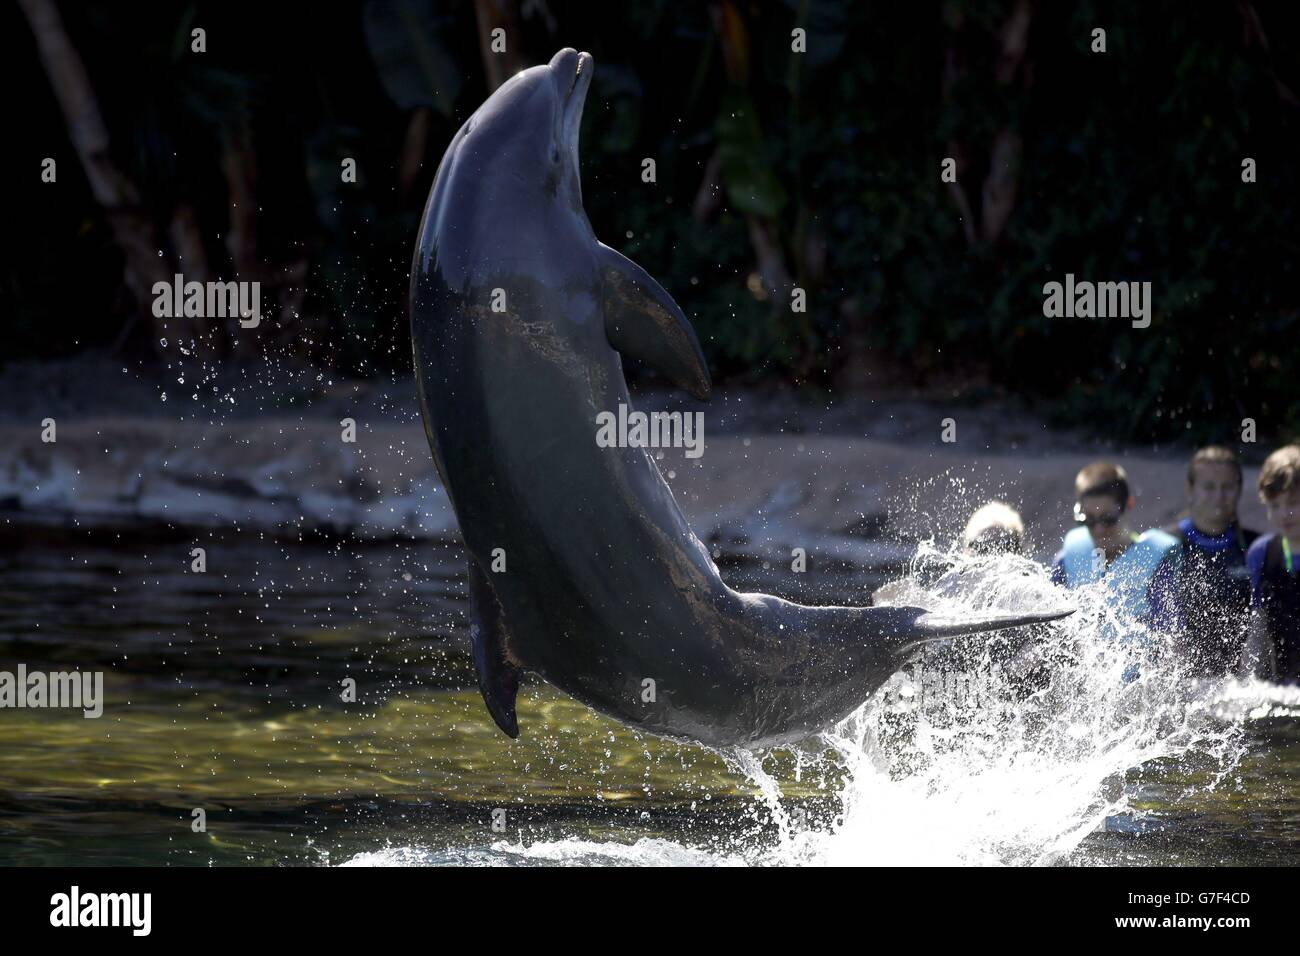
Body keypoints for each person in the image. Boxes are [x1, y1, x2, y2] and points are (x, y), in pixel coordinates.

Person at [1051, 462, 1180, 635]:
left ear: (1129, 505)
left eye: (1108, 518)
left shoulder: (1155, 564)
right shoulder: (1066, 561)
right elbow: (1048, 634)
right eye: (1089, 519)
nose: (1098, 529)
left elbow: (1174, 640)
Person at [1165, 446, 1259, 677]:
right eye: (1209, 487)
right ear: (1190, 489)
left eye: (1227, 487)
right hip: (1183, 687)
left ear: (1239, 490)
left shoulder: (1257, 548)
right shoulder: (1163, 546)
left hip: (1241, 689)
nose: (1219, 496)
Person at [1243, 445, 1300, 683]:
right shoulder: (1261, 553)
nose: (1284, 513)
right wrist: (1247, 682)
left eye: (1293, 503)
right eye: (1274, 505)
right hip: (1284, 686)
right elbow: (1259, 628)